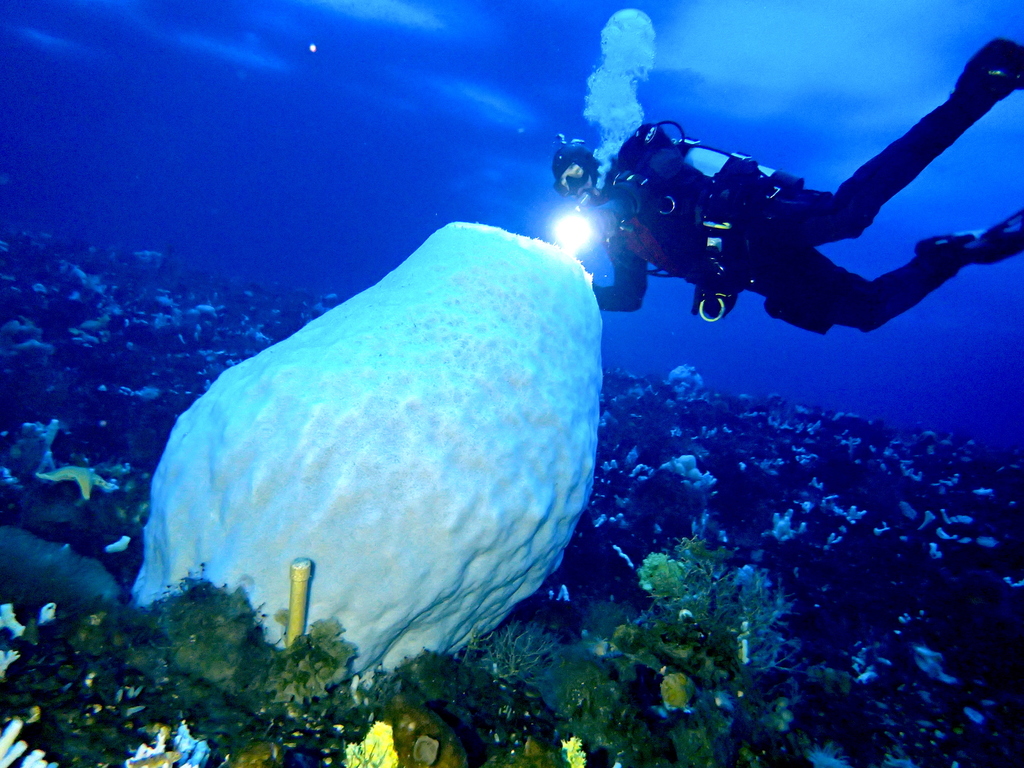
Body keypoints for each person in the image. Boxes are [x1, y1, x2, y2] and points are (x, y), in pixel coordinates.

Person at [552, 39, 1024, 333]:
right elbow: (629, 298)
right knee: (866, 313)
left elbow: (640, 190)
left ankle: (980, 89)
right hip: (750, 269)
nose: (577, 190)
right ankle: (953, 253)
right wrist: (567, 290)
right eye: (566, 188)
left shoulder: (641, 163)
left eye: (577, 174)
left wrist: (614, 204)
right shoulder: (618, 239)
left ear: (594, 163)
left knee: (850, 215)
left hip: (756, 220)